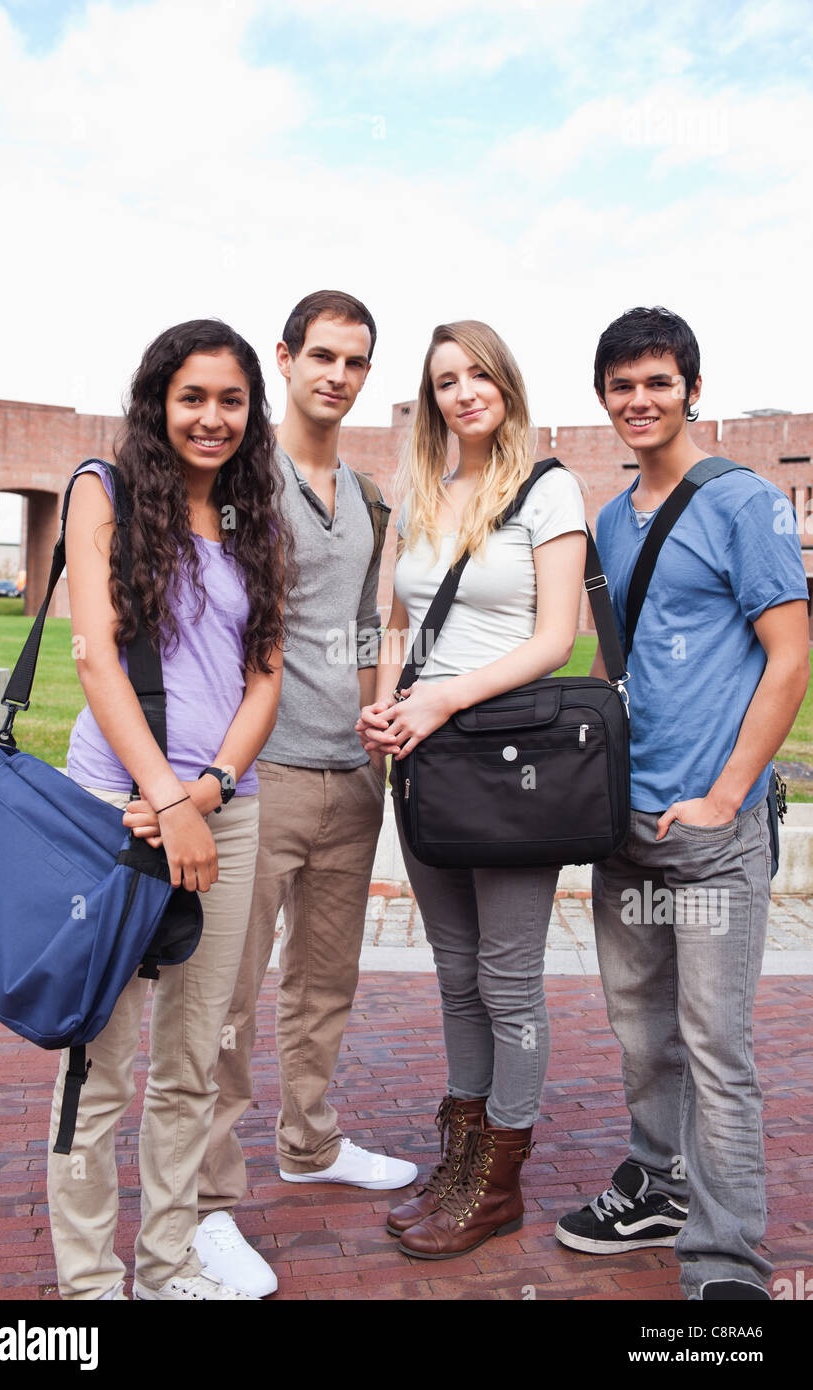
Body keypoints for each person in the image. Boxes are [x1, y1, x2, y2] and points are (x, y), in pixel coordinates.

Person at [554, 306, 810, 1301]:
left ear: (690, 390)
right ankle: (656, 1188)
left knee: (714, 1043)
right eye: (620, 385)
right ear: (604, 400)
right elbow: (611, 662)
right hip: (623, 828)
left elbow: (789, 657)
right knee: (638, 1034)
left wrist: (724, 795)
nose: (639, 399)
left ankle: (725, 1257)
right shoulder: (610, 521)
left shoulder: (741, 503)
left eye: (657, 381)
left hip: (710, 834)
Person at [46, 319, 290, 1301]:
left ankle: (167, 1264)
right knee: (97, 1068)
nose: (212, 417)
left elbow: (264, 679)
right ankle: (89, 1284)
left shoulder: (254, 522)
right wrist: (163, 797)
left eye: (231, 400)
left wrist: (214, 788)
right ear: (158, 401)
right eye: (193, 396)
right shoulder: (101, 492)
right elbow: (95, 656)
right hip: (116, 810)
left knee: (195, 1061)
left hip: (224, 813)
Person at [196, 291, 416, 1297]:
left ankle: (310, 1140)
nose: (336, 375)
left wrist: (379, 704)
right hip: (262, 773)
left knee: (324, 982)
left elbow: (370, 626)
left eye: (355, 362)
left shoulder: (367, 495)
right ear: (283, 359)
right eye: (320, 356)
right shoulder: (241, 483)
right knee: (225, 1000)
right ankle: (200, 1205)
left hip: (350, 771)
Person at [358, 320, 588, 1260]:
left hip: (510, 764)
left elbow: (556, 637)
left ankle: (497, 1182)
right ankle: (459, 1161)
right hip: (426, 760)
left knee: (508, 978)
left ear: (506, 384)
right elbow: (397, 618)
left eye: (479, 374)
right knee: (456, 974)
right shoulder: (421, 490)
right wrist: (385, 708)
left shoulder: (549, 487)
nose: (464, 392)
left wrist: (443, 697)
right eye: (446, 379)